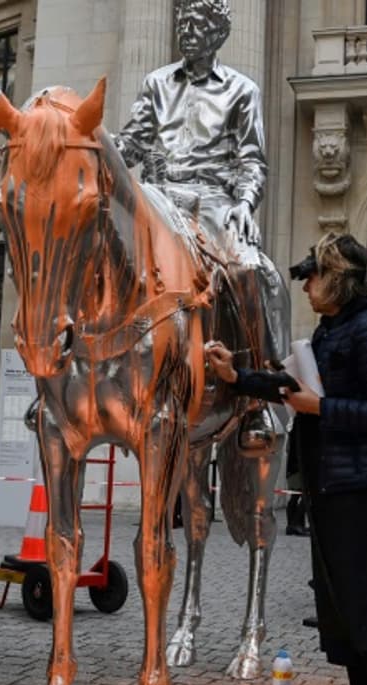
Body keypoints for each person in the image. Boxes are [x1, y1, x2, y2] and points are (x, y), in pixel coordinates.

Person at [207, 233, 367, 685]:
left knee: (361, 612)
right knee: (355, 609)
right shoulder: (332, 330)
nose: (305, 286)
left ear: (340, 281)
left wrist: (321, 407)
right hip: (334, 490)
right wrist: (237, 378)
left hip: (363, 494)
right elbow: (294, 390)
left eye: (314, 276)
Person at [113, 0, 288, 448]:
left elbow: (252, 160)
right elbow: (131, 143)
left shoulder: (241, 89)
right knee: (96, 255)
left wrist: (245, 204)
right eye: (183, 23)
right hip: (158, 197)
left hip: (214, 201)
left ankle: (257, 400)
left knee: (248, 270)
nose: (188, 31)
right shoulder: (156, 83)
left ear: (218, 34)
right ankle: (70, 377)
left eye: (199, 24)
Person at [283, 432, 308, 536]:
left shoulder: (293, 432)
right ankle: (296, 524)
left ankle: (292, 525)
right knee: (305, 496)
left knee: (295, 496)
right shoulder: (299, 433)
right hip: (298, 467)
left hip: (293, 467)